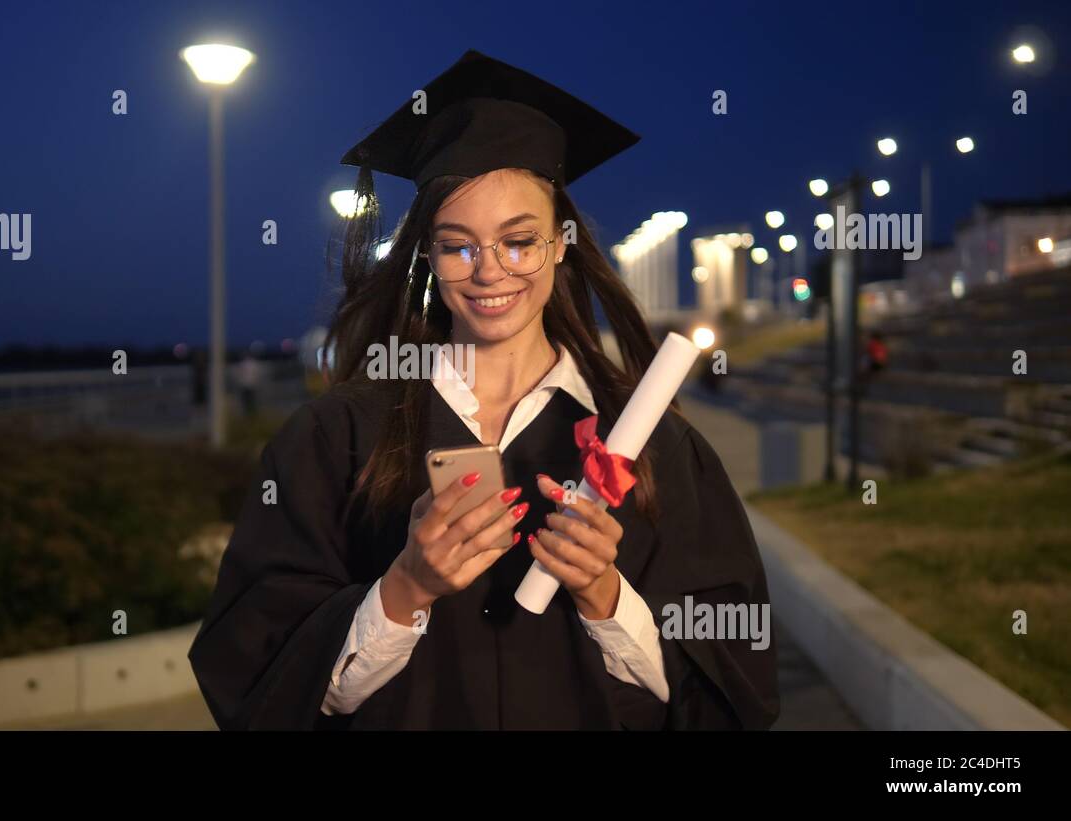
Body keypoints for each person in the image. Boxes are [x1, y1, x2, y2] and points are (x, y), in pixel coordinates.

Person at [188, 50, 779, 730]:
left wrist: (606, 595)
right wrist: (406, 587)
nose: (488, 270)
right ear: (429, 259)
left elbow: (734, 682)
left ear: (560, 244)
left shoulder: (652, 443)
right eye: (457, 244)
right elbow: (253, 675)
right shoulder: (337, 437)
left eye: (519, 241)